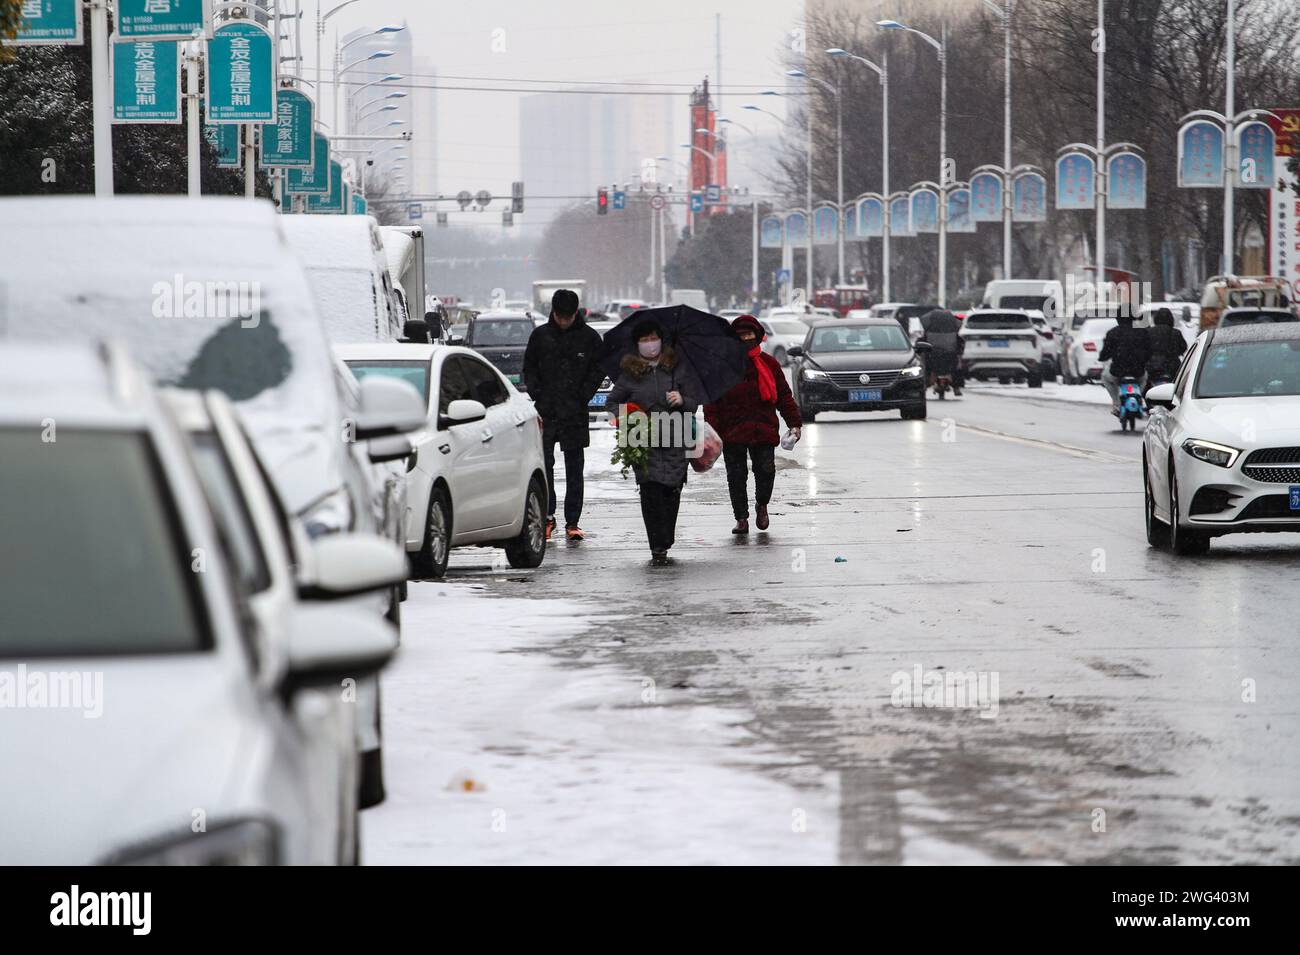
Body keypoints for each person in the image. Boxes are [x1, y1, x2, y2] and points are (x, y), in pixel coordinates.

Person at [606, 319, 703, 565]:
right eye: (644, 340)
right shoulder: (629, 374)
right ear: (637, 344)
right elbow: (611, 404)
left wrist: (682, 400)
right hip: (642, 441)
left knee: (671, 490)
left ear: (661, 340)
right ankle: (657, 546)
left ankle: (666, 537)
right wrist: (629, 414)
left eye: (653, 338)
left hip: (676, 438)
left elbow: (694, 402)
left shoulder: (677, 369)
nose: (650, 344)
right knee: (651, 494)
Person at [704, 315, 801, 535]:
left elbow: (784, 396)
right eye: (741, 336)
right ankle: (741, 518)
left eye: (749, 335)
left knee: (766, 471)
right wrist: (712, 428)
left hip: (763, 428)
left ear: (757, 336)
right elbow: (711, 399)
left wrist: (794, 423)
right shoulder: (723, 366)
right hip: (731, 431)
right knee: (736, 476)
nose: (746, 339)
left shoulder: (769, 364)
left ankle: (762, 505)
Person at [522, 288, 606, 541]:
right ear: (554, 313)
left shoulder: (589, 338)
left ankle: (573, 521)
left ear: (575, 314)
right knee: (544, 466)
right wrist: (537, 392)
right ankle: (548, 517)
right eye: (560, 316)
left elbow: (598, 369)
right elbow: (529, 367)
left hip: (575, 412)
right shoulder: (540, 336)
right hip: (546, 410)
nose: (564, 321)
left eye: (568, 317)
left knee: (574, 469)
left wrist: (583, 394)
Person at [1099, 312, 1152, 414]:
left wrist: (1103, 357)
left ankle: (1117, 402)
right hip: (1138, 371)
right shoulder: (1142, 332)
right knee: (1144, 378)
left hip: (1117, 371)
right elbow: (1149, 352)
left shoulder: (1112, 333)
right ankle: (1138, 396)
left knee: (1105, 377)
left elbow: (1105, 354)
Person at [918, 307, 965, 396]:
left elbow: (920, 344)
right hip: (950, 357)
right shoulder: (954, 334)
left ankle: (924, 387)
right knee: (957, 369)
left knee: (924, 368)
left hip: (932, 358)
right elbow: (960, 345)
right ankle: (956, 387)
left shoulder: (928, 334)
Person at [1145, 307, 1187, 384]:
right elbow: (1183, 347)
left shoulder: (1149, 332)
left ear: (1156, 319)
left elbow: (1144, 349)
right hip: (1172, 368)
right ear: (1171, 319)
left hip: (1153, 368)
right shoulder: (1176, 333)